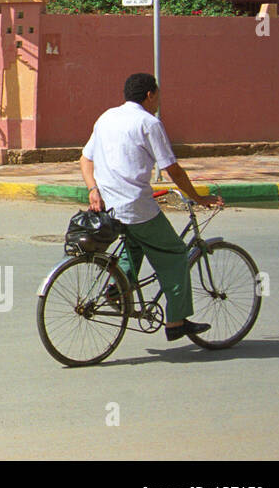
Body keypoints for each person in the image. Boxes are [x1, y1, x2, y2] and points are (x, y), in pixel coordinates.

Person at [81, 72, 222, 342]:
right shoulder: (149, 122)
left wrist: (93, 189)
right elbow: (173, 170)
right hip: (135, 206)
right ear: (149, 95)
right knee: (176, 253)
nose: (158, 101)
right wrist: (198, 197)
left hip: (110, 205)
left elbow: (85, 160)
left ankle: (117, 288)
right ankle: (176, 321)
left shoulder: (106, 117)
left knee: (135, 245)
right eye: (157, 95)